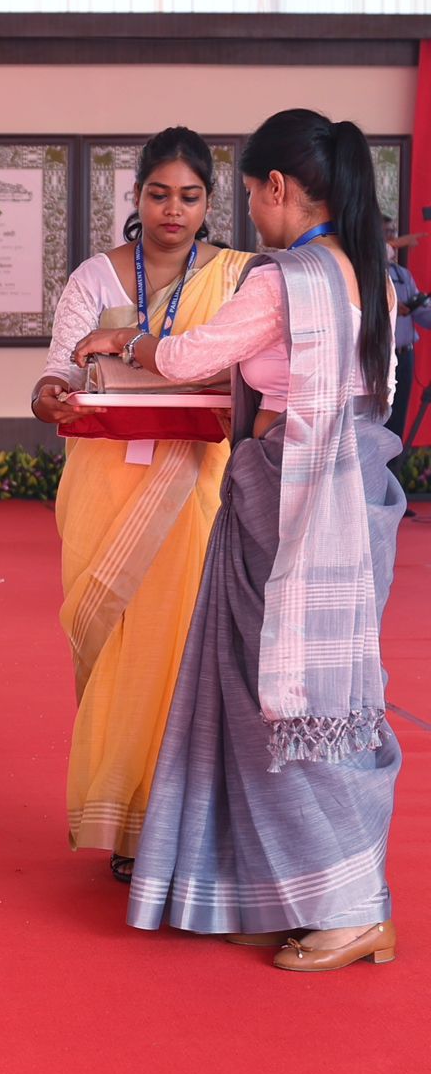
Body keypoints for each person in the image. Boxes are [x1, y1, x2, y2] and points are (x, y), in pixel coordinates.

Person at [74, 108, 403, 971]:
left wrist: (128, 339)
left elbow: (186, 360)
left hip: (289, 503)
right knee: (324, 702)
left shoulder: (283, 280)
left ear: (279, 188)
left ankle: (352, 908)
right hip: (352, 494)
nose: (250, 212)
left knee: (282, 700)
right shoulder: (367, 272)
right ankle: (291, 890)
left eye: (252, 193)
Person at [32, 129, 251, 881]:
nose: (173, 210)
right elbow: (58, 374)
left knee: (186, 644)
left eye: (189, 196)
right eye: (159, 194)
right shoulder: (95, 275)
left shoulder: (236, 278)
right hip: (104, 481)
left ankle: (180, 819)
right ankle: (124, 816)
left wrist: (134, 349)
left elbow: (244, 376)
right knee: (112, 640)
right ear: (136, 196)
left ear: (210, 203)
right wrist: (51, 395)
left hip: (195, 481)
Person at [382, 219, 431, 448]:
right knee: (378, 423)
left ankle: (394, 467)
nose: (392, 237)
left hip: (404, 356)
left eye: (393, 231)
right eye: (386, 232)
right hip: (380, 359)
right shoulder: (362, 271)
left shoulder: (401, 274)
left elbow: (421, 312)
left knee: (397, 424)